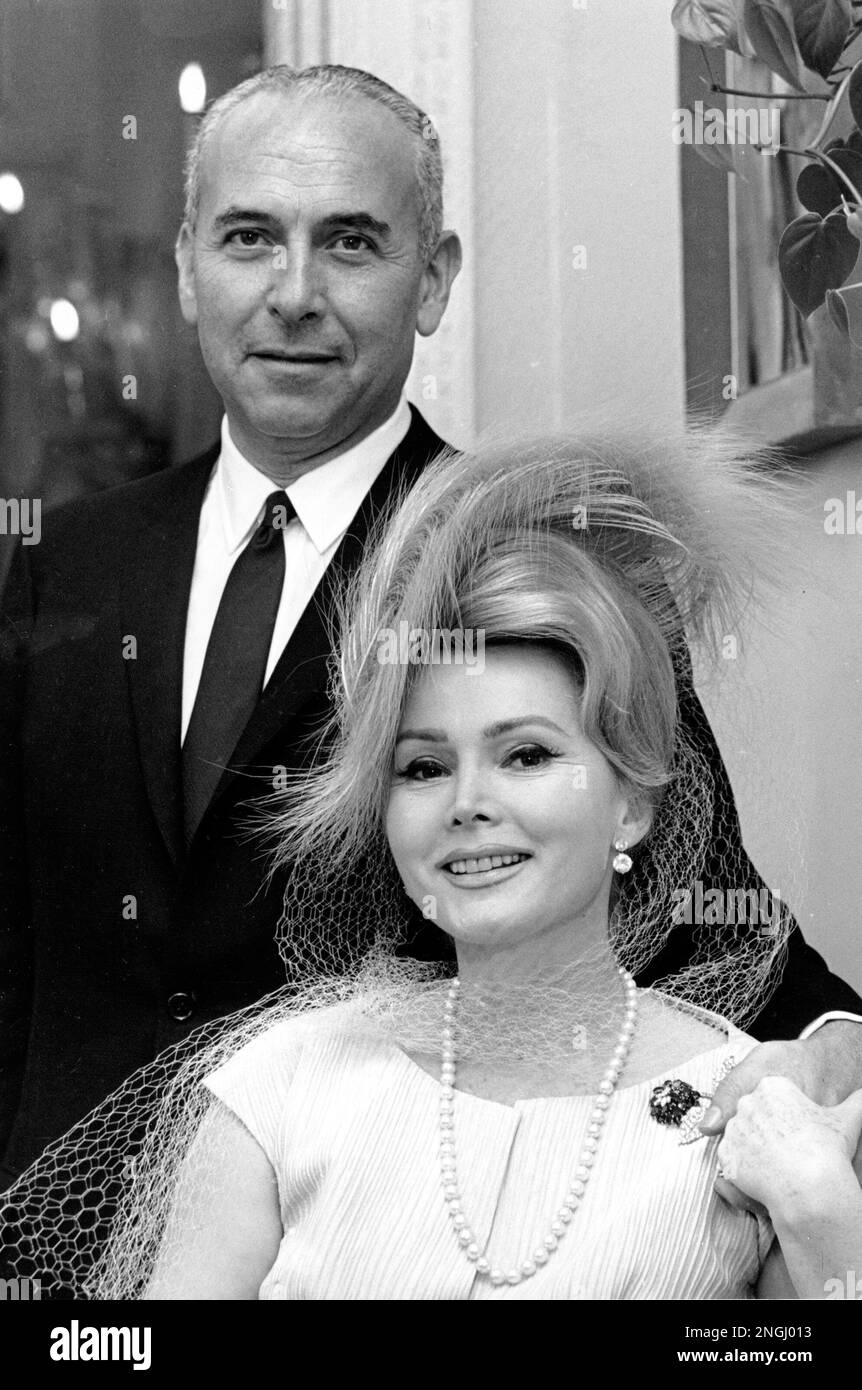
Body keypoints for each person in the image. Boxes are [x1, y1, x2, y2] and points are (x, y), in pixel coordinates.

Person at [0, 64, 860, 1193]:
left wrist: (839, 1046)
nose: (294, 291)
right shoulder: (62, 562)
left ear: (433, 280)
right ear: (186, 270)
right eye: (249, 238)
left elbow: (701, 918)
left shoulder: (543, 558)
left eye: (351, 243)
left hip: (370, 1245)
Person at [5, 426, 860, 1300]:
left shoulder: (752, 1130)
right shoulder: (279, 1093)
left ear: (634, 801)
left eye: (526, 754)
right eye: (422, 767)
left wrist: (824, 1210)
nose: (466, 802)